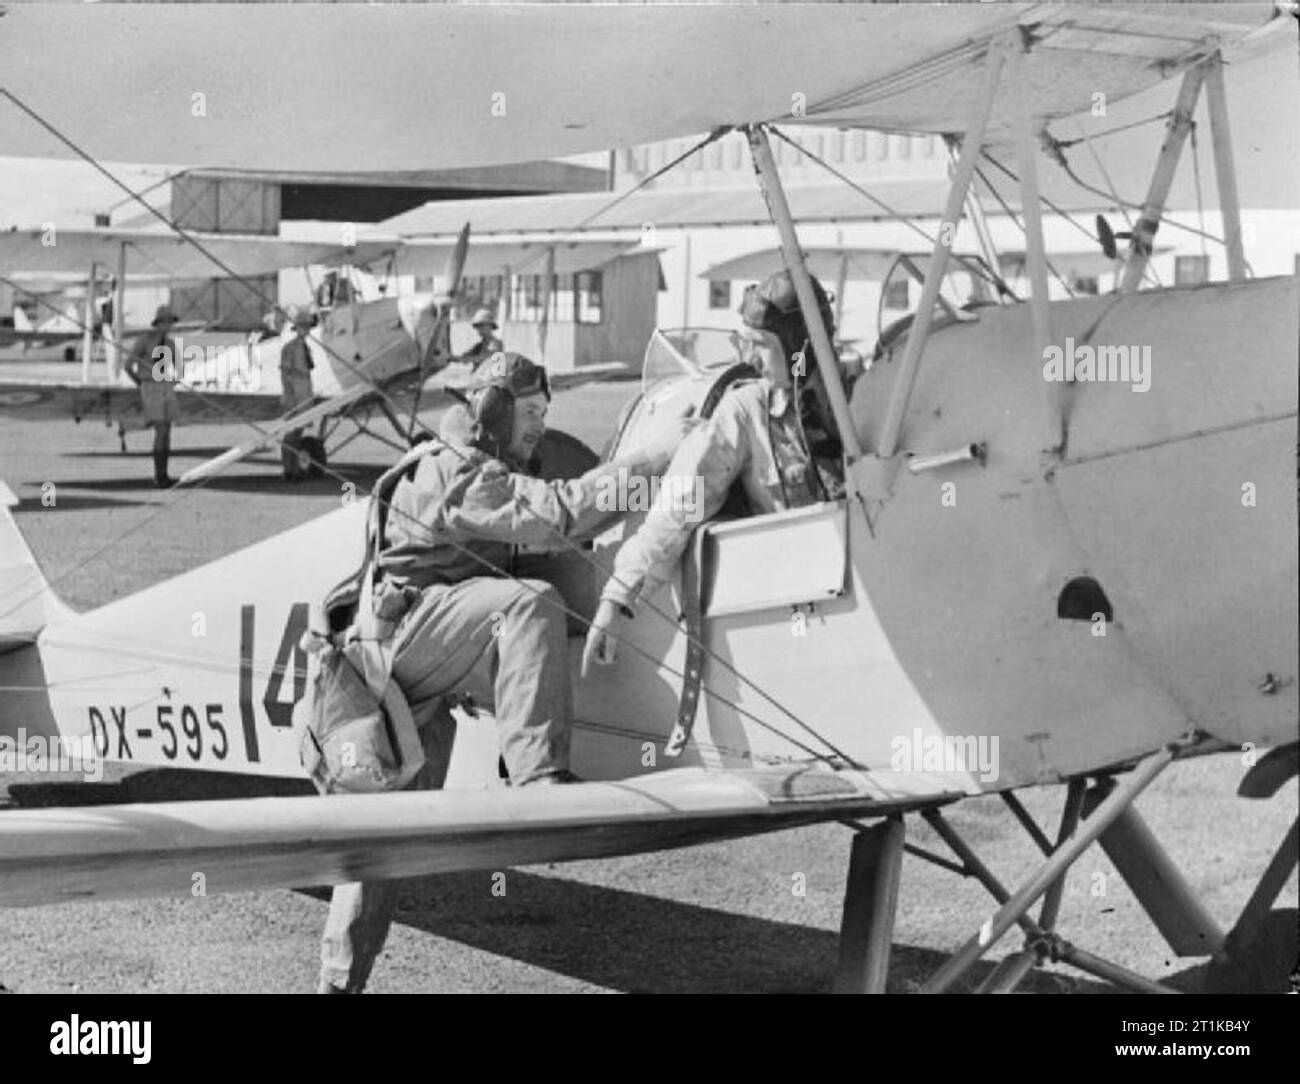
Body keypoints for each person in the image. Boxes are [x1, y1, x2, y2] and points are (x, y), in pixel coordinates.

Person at [318, 351, 695, 993]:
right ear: (490, 411)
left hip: (420, 669)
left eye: (545, 413)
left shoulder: (479, 463)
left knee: (386, 849)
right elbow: (555, 517)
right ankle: (538, 786)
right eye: (528, 413)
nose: (539, 427)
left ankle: (336, 987)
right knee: (529, 605)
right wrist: (655, 459)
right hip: (399, 652)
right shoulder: (453, 470)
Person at [582, 270, 849, 672]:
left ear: (800, 348)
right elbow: (678, 506)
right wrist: (616, 600)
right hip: (800, 609)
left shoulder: (864, 399)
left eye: (762, 346)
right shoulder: (746, 411)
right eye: (748, 345)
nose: (750, 360)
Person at [125, 304, 182, 488]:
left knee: (167, 431)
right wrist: (140, 382)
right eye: (165, 322)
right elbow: (128, 365)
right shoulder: (144, 341)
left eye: (170, 322)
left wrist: (174, 381)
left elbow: (179, 368)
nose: (168, 325)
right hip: (150, 386)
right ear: (158, 323)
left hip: (166, 386)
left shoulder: (171, 344)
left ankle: (165, 474)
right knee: (161, 430)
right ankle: (159, 476)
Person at [279, 307, 317, 481]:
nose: (306, 330)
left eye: (308, 326)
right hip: (295, 396)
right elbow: (286, 374)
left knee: (298, 433)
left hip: (304, 394)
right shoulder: (289, 348)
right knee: (292, 434)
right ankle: (289, 469)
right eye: (303, 326)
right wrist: (291, 397)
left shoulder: (305, 347)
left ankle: (294, 468)